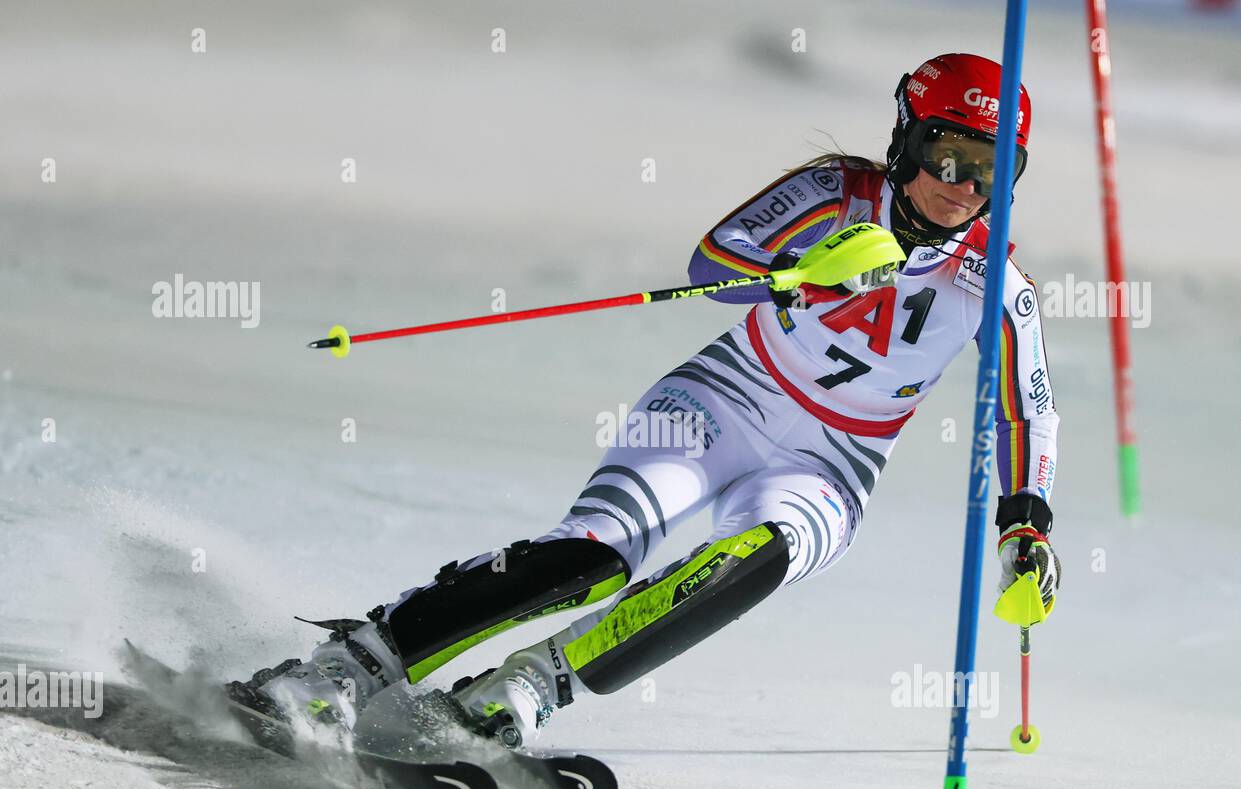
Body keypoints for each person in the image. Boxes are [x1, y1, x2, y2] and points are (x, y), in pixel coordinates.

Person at [229, 52, 1061, 751]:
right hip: (725, 401)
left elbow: (1028, 410)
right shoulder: (835, 192)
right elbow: (711, 264)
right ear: (908, 141)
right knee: (597, 555)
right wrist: (804, 274)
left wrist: (1025, 525)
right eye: (948, 155)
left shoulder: (996, 283)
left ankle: (523, 691)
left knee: (742, 568)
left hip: (835, 463)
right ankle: (348, 668)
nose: (963, 187)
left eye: (992, 169)